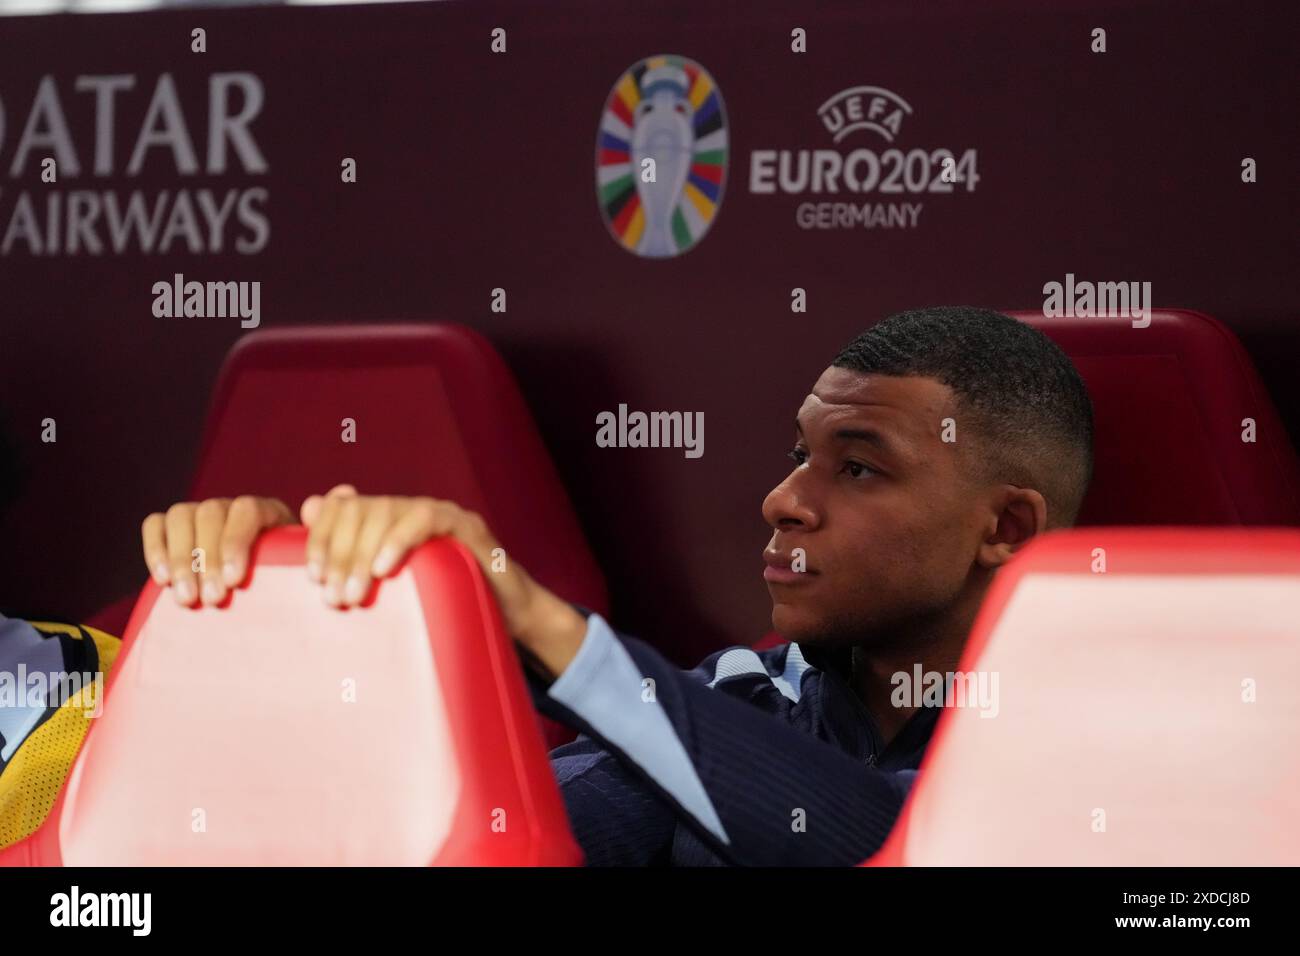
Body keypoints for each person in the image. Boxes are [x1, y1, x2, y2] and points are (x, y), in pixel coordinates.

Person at [4, 307, 1095, 863]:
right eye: (795, 453)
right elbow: (498, 833)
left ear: (1002, 525)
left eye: (855, 467)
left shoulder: (1086, 750)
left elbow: (871, 840)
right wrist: (286, 614)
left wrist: (531, 614)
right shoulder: (751, 694)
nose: (784, 499)